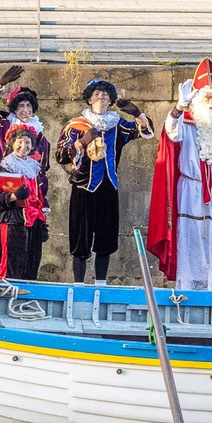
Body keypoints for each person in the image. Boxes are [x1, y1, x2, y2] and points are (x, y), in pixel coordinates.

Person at [147, 58, 212, 292]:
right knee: (193, 241)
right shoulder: (186, 122)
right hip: (191, 192)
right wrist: (178, 108)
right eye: (207, 97)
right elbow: (170, 133)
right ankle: (191, 290)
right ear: (198, 98)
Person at [55, 78, 153, 285]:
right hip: (84, 186)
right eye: (97, 95)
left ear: (110, 101)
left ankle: (101, 283)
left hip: (109, 187)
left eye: (106, 95)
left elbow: (143, 132)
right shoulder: (76, 125)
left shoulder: (116, 125)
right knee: (81, 239)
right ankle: (79, 284)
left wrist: (137, 113)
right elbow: (61, 156)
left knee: (106, 240)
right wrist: (82, 142)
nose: (101, 98)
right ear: (89, 99)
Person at [0, 66, 51, 211]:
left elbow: (42, 171)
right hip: (3, 189)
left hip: (29, 196)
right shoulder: (2, 123)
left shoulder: (40, 136)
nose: (25, 110)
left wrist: (42, 199)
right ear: (14, 108)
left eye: (28, 106)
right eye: (21, 106)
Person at [0, 124, 48, 280]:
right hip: (13, 219)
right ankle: (9, 293)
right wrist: (14, 196)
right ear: (12, 143)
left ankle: (24, 295)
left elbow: (38, 199)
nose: (23, 146)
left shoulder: (33, 167)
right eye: (20, 141)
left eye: (27, 142)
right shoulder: (7, 166)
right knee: (13, 261)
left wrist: (43, 223)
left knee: (31, 262)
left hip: (33, 220)